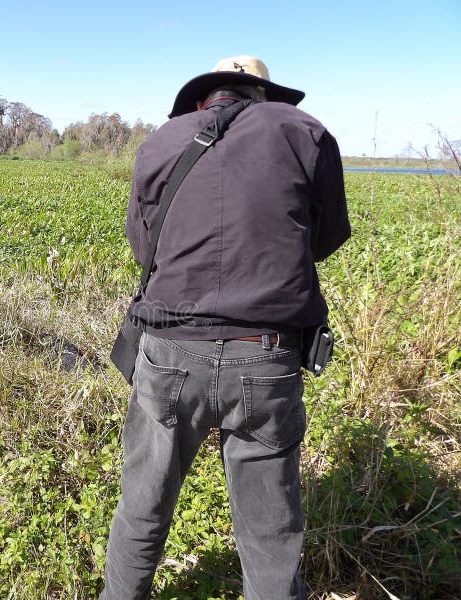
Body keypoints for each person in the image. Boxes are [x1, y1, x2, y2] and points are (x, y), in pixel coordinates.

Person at [100, 56, 351, 600]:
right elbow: (326, 236)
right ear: (261, 95)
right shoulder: (304, 131)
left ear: (201, 100)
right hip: (265, 357)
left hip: (169, 354)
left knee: (142, 509)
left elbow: (145, 248)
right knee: (271, 534)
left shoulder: (162, 141)